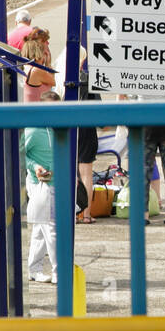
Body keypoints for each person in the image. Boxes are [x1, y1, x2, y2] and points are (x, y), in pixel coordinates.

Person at [22, 92, 61, 284]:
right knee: (51, 227)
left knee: (40, 227)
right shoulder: (33, 129)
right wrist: (35, 167)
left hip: (55, 183)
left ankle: (34, 269)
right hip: (41, 185)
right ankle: (58, 272)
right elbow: (21, 153)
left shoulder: (58, 127)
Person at [76, 48, 99, 222]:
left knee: (70, 173)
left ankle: (73, 213)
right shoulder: (88, 79)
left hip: (67, 127)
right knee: (86, 173)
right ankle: (87, 214)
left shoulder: (59, 77)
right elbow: (98, 109)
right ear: (83, 60)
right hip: (86, 127)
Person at [21, 28, 56, 103]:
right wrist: (48, 64)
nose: (48, 44)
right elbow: (53, 82)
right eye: (45, 42)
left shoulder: (28, 67)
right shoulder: (36, 71)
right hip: (36, 112)